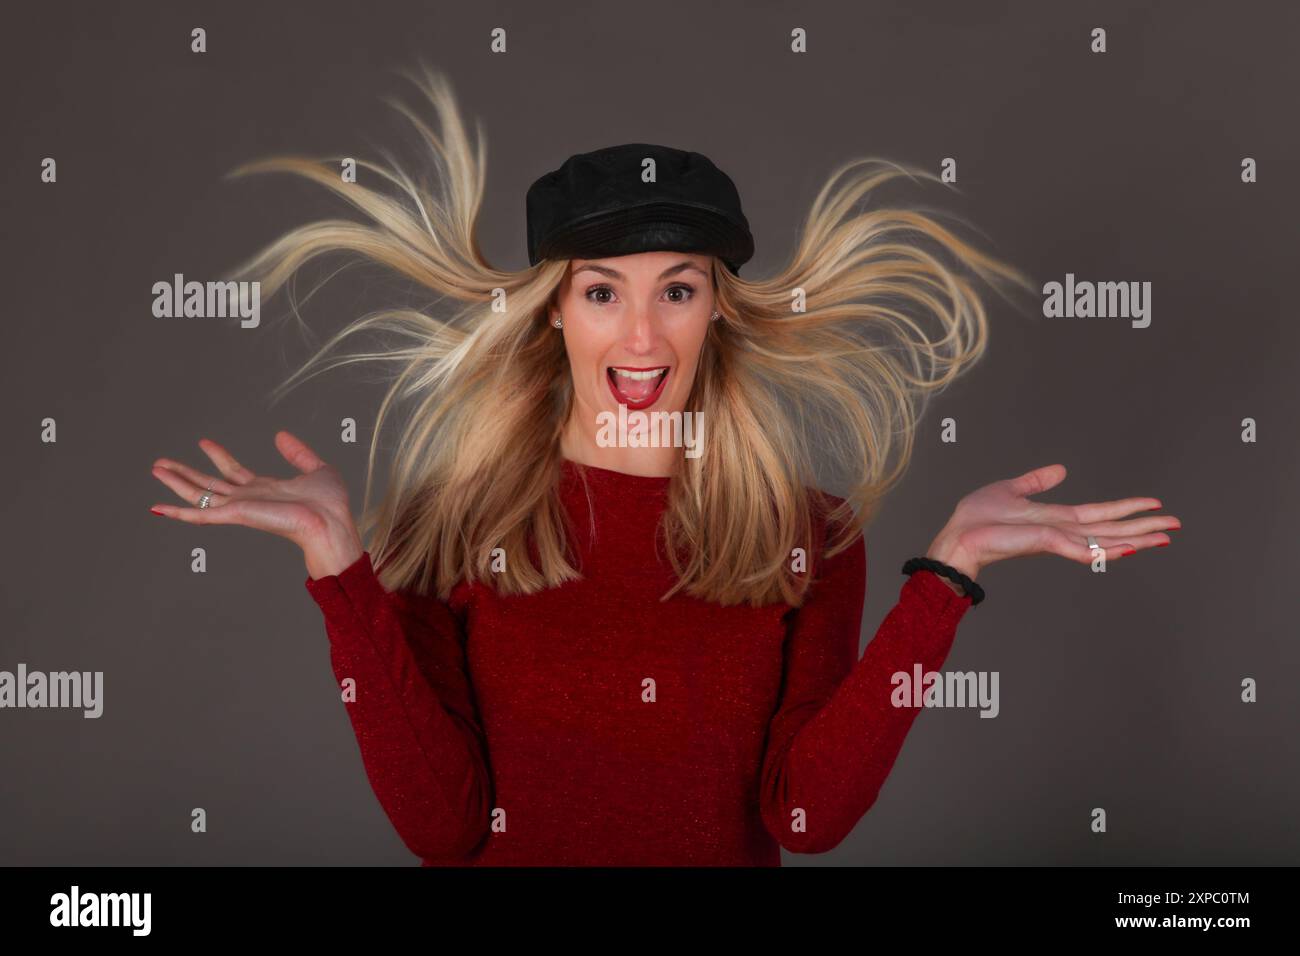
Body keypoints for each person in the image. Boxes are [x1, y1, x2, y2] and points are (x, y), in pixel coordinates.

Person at [148, 65, 1180, 865]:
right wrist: (339, 565)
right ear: (555, 309)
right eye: (601, 291)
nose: (640, 333)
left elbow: (806, 817)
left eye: (677, 289)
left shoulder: (809, 533)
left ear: (718, 305)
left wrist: (948, 571)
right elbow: (443, 826)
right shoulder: (449, 523)